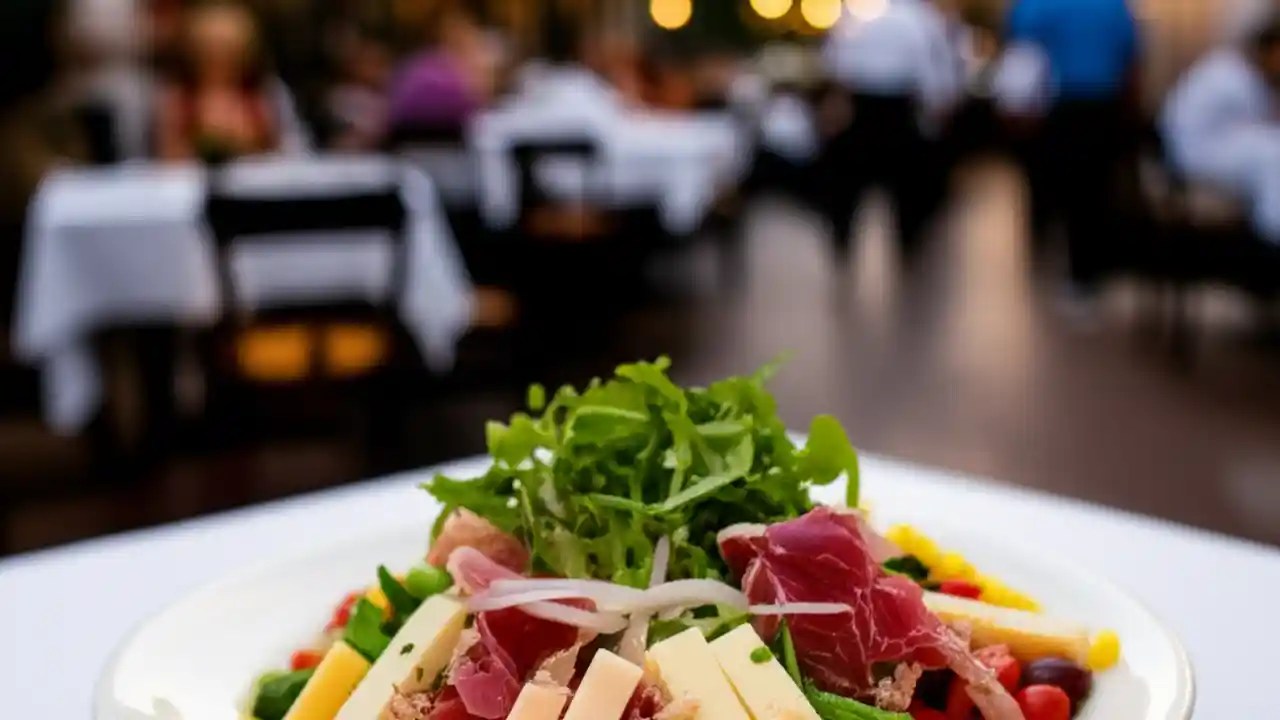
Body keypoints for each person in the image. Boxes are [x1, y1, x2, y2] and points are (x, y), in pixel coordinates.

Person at [1007, 0, 1140, 297]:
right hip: (1103, 109)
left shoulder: (1036, 7)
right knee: (1094, 191)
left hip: (1057, 109)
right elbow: (1132, 62)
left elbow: (1021, 56)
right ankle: (1086, 273)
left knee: (1055, 186)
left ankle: (1049, 251)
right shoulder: (1115, 7)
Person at [819, 0, 965, 262]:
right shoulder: (921, 19)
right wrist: (938, 103)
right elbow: (931, 67)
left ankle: (844, 235)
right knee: (904, 184)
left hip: (863, 106)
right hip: (896, 109)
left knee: (851, 182)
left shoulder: (860, 12)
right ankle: (906, 241)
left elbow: (835, 59)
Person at [1162, 13, 1280, 244]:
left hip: (1209, 144)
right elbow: (1260, 123)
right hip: (1197, 152)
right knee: (1273, 153)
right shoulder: (1232, 74)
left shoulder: (1235, 69)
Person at [154, 1, 281, 161]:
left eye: (228, 52)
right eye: (210, 52)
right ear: (195, 53)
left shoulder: (264, 97)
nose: (219, 59)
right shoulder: (177, 100)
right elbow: (166, 160)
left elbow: (287, 154)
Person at [386, 7, 495, 138]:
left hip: (459, 135)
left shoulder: (477, 61)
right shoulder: (422, 64)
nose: (457, 33)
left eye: (461, 28)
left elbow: (481, 101)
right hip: (417, 134)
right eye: (452, 28)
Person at [325, 28, 392, 150]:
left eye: (381, 64)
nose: (378, 72)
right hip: (347, 156)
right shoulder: (342, 95)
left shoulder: (386, 97)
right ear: (353, 65)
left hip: (379, 155)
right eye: (370, 64)